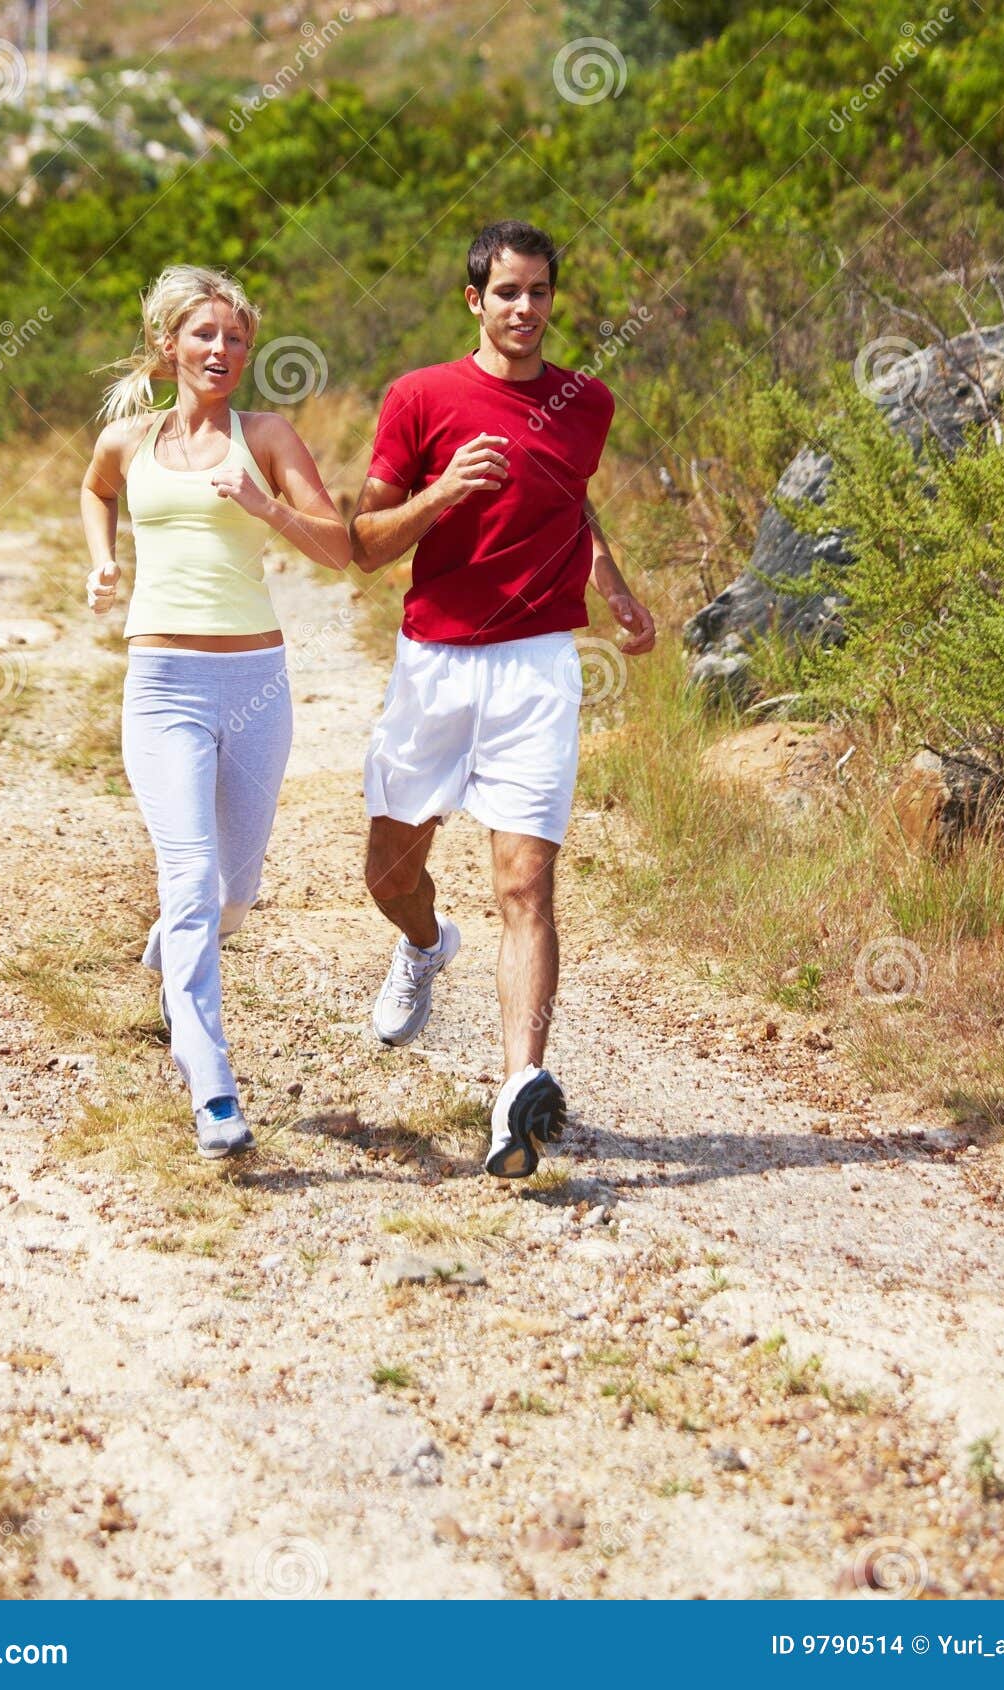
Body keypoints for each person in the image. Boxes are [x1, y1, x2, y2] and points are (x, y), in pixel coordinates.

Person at [350, 220, 655, 1179]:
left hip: (537, 667)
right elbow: (364, 541)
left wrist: (612, 583)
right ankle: (424, 945)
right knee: (389, 874)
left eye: (539, 292)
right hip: (434, 663)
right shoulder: (420, 396)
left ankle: (518, 1092)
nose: (525, 309)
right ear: (473, 300)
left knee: (524, 885)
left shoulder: (585, 402)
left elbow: (569, 496)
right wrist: (443, 492)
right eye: (507, 293)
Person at [80, 264, 350, 1160]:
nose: (221, 349)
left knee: (234, 893)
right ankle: (212, 1088)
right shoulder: (127, 439)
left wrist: (265, 505)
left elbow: (339, 549)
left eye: (236, 338)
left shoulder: (265, 436)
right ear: (169, 346)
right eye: (204, 334)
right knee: (191, 880)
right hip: (161, 686)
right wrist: (102, 561)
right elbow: (95, 490)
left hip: (256, 684)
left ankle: (176, 951)